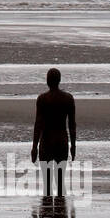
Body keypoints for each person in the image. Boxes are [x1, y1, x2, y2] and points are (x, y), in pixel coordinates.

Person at [30, 68, 76, 196]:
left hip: (46, 143)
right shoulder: (68, 98)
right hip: (62, 142)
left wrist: (34, 147)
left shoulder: (42, 99)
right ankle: (62, 214)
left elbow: (38, 124)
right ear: (59, 80)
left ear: (47, 81)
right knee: (61, 183)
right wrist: (73, 146)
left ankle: (46, 214)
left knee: (47, 184)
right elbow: (72, 125)